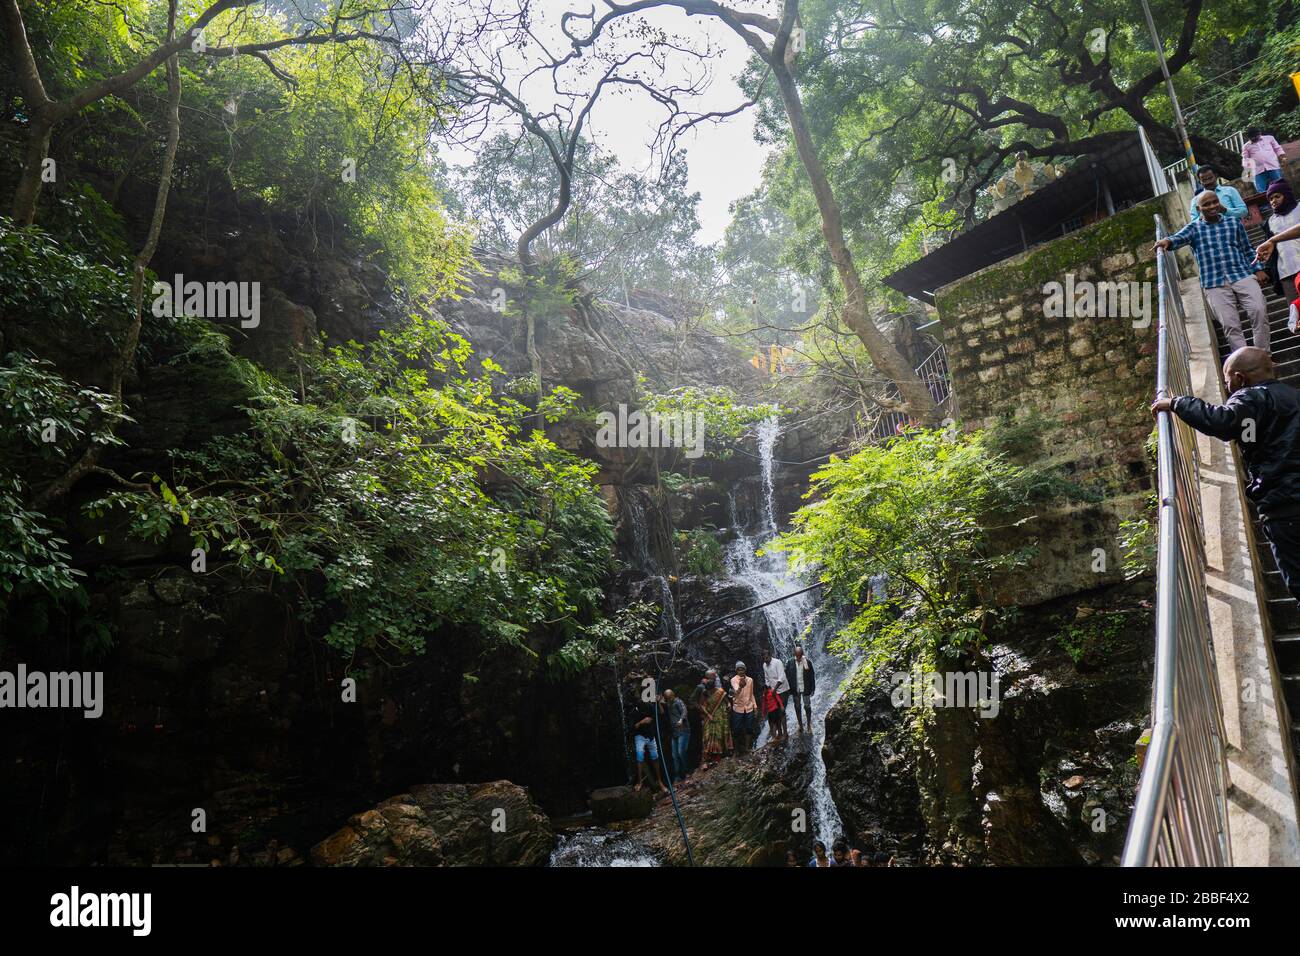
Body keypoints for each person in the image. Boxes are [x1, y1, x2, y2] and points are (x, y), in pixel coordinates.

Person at [1152, 346, 1300, 599]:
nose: (1227, 385)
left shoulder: (1250, 397)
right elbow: (1246, 429)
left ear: (1240, 378)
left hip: (1284, 507)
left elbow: (1223, 422)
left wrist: (1178, 402)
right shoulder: (1294, 396)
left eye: (1227, 379)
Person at [1154, 190, 1270, 352]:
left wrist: (1258, 269)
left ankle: (1263, 355)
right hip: (1214, 283)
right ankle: (1244, 364)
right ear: (1198, 208)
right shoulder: (1194, 228)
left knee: (1259, 311)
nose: (1212, 206)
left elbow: (1247, 249)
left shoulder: (1233, 223)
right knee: (1230, 325)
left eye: (1215, 202)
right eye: (1206, 204)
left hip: (1242, 274)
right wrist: (1166, 241)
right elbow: (1176, 239)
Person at [1267, 180, 1300, 302]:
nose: (1273, 201)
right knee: (1295, 310)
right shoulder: (1270, 221)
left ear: (1287, 195)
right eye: (1270, 199)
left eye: (1277, 196)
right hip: (1285, 271)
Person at [629, 690, 666, 793]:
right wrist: (641, 722)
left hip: (650, 735)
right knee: (639, 756)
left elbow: (661, 714)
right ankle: (640, 782)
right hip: (639, 736)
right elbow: (631, 728)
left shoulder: (649, 706)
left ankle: (660, 781)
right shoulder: (633, 713)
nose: (646, 713)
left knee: (655, 757)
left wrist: (658, 702)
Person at [697, 669, 732, 769]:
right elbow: (702, 705)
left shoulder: (720, 692)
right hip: (709, 717)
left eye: (711, 690)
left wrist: (729, 706)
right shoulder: (705, 692)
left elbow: (727, 702)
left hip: (720, 716)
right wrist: (708, 715)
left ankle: (718, 756)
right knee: (708, 736)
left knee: (719, 735)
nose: (710, 692)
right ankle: (707, 758)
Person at [1243, 127, 1287, 195]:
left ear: (1259, 134)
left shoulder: (1269, 138)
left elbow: (1277, 149)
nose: (1253, 138)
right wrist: (1248, 175)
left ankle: (1285, 201)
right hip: (1258, 171)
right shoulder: (1246, 146)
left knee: (1279, 185)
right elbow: (1246, 160)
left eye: (1255, 136)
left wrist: (1283, 158)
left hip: (1273, 166)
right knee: (1261, 190)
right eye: (1251, 137)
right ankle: (1266, 204)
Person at [784, 644, 816, 734]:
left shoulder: (807, 662)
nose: (798, 657)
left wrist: (813, 688)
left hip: (806, 688)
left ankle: (809, 724)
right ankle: (800, 725)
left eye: (800, 655)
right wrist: (787, 688)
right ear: (794, 654)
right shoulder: (790, 662)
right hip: (795, 689)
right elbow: (786, 675)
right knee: (797, 707)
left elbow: (812, 676)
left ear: (802, 654)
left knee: (807, 706)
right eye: (797, 655)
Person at [729, 661, 758, 756]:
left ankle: (747, 748)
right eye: (739, 669)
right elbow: (736, 692)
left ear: (745, 669)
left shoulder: (750, 680)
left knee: (749, 728)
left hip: (749, 707)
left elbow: (752, 694)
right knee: (736, 729)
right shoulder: (733, 680)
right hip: (738, 708)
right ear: (736, 670)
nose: (741, 671)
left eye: (742, 669)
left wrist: (755, 707)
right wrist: (740, 687)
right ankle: (736, 750)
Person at [761, 647, 789, 740]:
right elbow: (766, 678)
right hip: (773, 691)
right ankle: (779, 733)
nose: (766, 660)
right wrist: (768, 689)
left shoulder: (778, 662)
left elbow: (782, 677)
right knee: (775, 712)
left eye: (767, 658)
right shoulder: (764, 665)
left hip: (782, 690)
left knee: (782, 711)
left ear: (770, 656)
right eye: (764, 659)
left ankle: (785, 733)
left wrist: (774, 689)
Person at [662, 688, 690, 783]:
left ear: (672, 695)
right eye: (667, 698)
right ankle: (677, 776)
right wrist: (658, 702)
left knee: (681, 751)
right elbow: (662, 711)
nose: (668, 699)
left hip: (683, 730)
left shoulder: (678, 701)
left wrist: (681, 720)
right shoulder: (667, 704)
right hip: (674, 733)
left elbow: (684, 710)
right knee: (674, 755)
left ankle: (686, 772)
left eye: (669, 697)